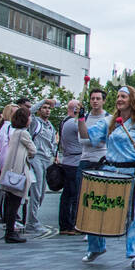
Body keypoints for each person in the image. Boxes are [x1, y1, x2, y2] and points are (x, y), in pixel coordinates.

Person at [78, 86, 135, 268]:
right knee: (98, 210)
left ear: (132, 100)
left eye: (123, 96)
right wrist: (81, 118)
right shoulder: (109, 122)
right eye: (118, 96)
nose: (119, 99)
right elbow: (86, 136)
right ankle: (96, 247)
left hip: (133, 173)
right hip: (111, 171)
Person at [0, 106, 35, 244]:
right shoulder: (24, 134)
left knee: (9, 203)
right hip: (19, 171)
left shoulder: (14, 132)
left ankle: (9, 229)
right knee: (15, 203)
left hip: (10, 169)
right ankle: (10, 232)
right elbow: (33, 150)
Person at [24, 99, 57, 233]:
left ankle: (33, 218)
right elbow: (28, 112)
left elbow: (53, 142)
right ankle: (32, 222)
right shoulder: (35, 122)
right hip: (36, 158)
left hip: (46, 159)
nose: (47, 110)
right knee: (36, 191)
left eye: (49, 107)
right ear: (39, 109)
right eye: (44, 107)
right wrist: (44, 100)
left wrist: (55, 154)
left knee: (42, 191)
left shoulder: (50, 126)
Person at [57, 100, 84, 235]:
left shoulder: (64, 121)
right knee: (73, 195)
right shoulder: (74, 123)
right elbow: (86, 136)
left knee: (67, 195)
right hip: (74, 162)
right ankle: (70, 224)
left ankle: (65, 224)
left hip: (67, 160)